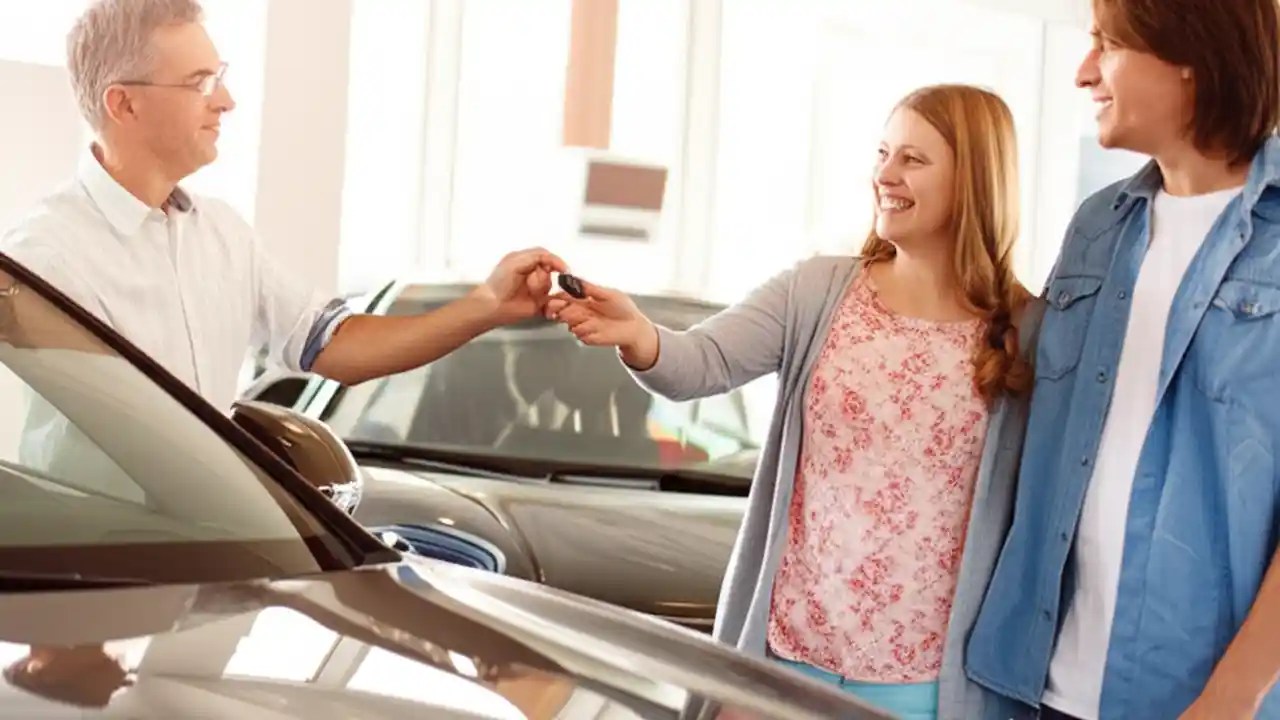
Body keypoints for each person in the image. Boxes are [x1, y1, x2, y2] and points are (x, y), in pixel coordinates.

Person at [547, 84, 1040, 720]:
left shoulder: (1029, 331)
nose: (885, 175)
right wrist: (638, 334)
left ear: (975, 179)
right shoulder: (818, 290)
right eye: (883, 153)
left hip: (925, 690)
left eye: (913, 159)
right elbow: (702, 362)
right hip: (781, 667)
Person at [0, 0, 566, 416]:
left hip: (212, 531)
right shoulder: (45, 258)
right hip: (101, 541)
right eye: (200, 83)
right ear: (124, 104)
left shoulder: (222, 234)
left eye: (219, 79)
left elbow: (333, 344)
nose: (226, 101)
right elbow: (116, 431)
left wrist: (486, 305)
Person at [964, 1, 1280, 718]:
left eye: (1106, 45)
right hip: (1035, 687)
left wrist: (1234, 694)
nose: (1084, 73)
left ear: (1190, 54)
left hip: (1200, 703)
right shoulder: (1098, 225)